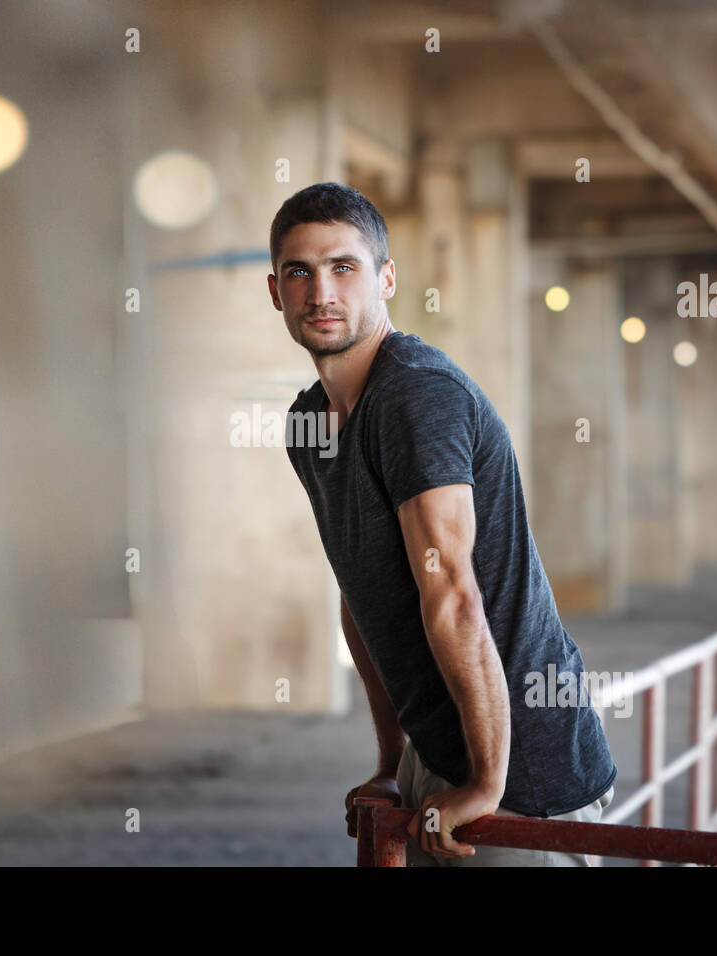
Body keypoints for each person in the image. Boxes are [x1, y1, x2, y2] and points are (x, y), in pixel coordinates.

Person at [268, 182, 617, 866]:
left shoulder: (416, 395)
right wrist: (390, 763)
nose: (321, 292)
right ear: (276, 292)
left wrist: (487, 782)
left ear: (386, 279)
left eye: (344, 267)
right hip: (433, 753)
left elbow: (452, 591)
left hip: (522, 767)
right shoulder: (309, 424)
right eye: (299, 272)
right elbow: (360, 595)